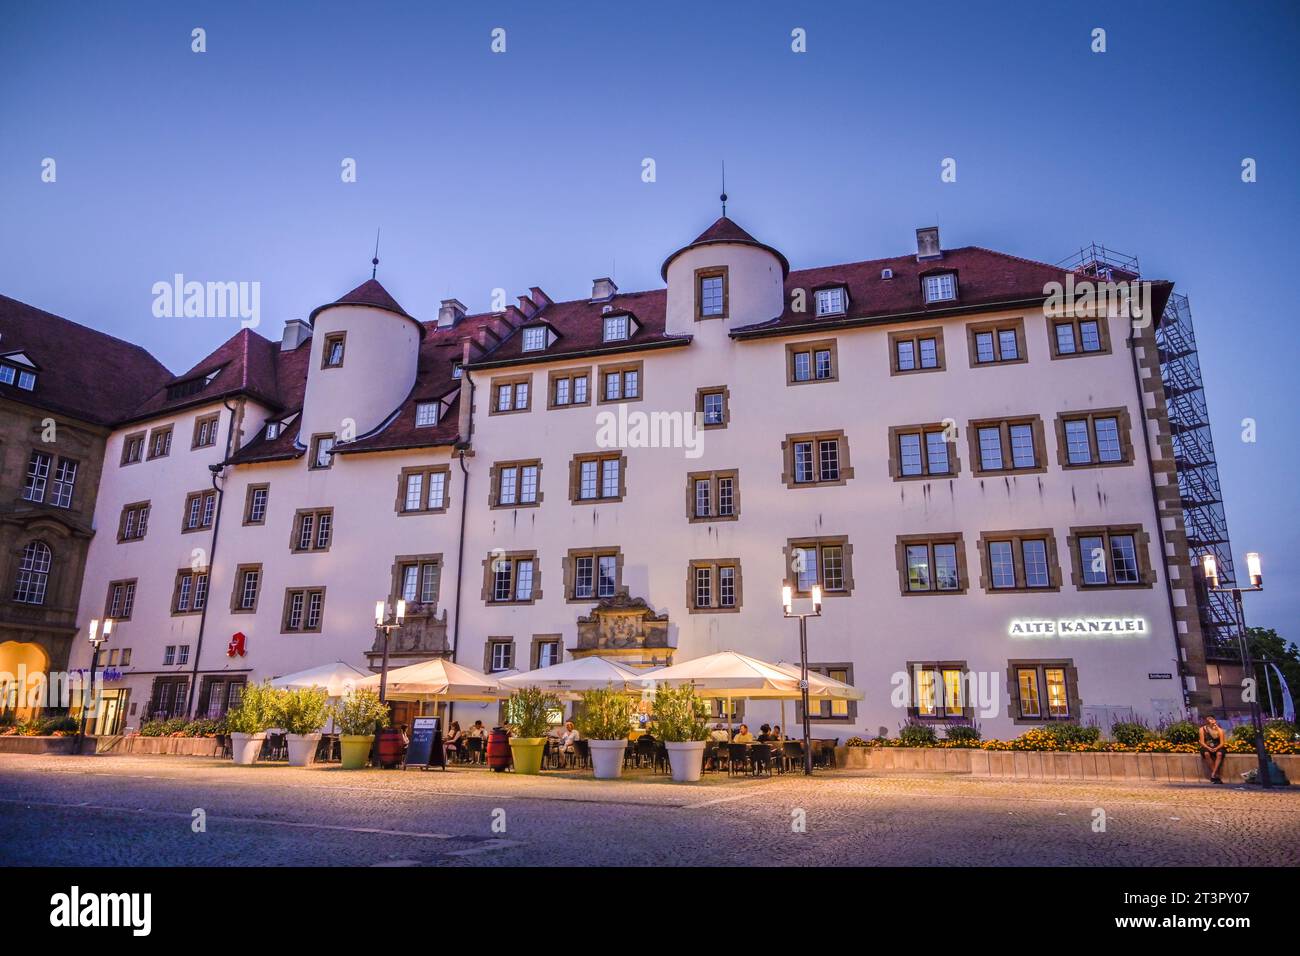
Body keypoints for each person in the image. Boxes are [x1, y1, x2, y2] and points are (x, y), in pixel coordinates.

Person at [1199, 715, 1226, 784]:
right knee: (1206, 753)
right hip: (1207, 746)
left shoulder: (1220, 730)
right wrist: (1208, 748)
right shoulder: (1202, 729)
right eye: (1209, 719)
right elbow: (1202, 742)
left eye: (1212, 719)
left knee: (1219, 754)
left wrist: (1216, 748)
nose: (1210, 720)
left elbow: (1222, 743)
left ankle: (1213, 774)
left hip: (1218, 746)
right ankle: (1216, 775)